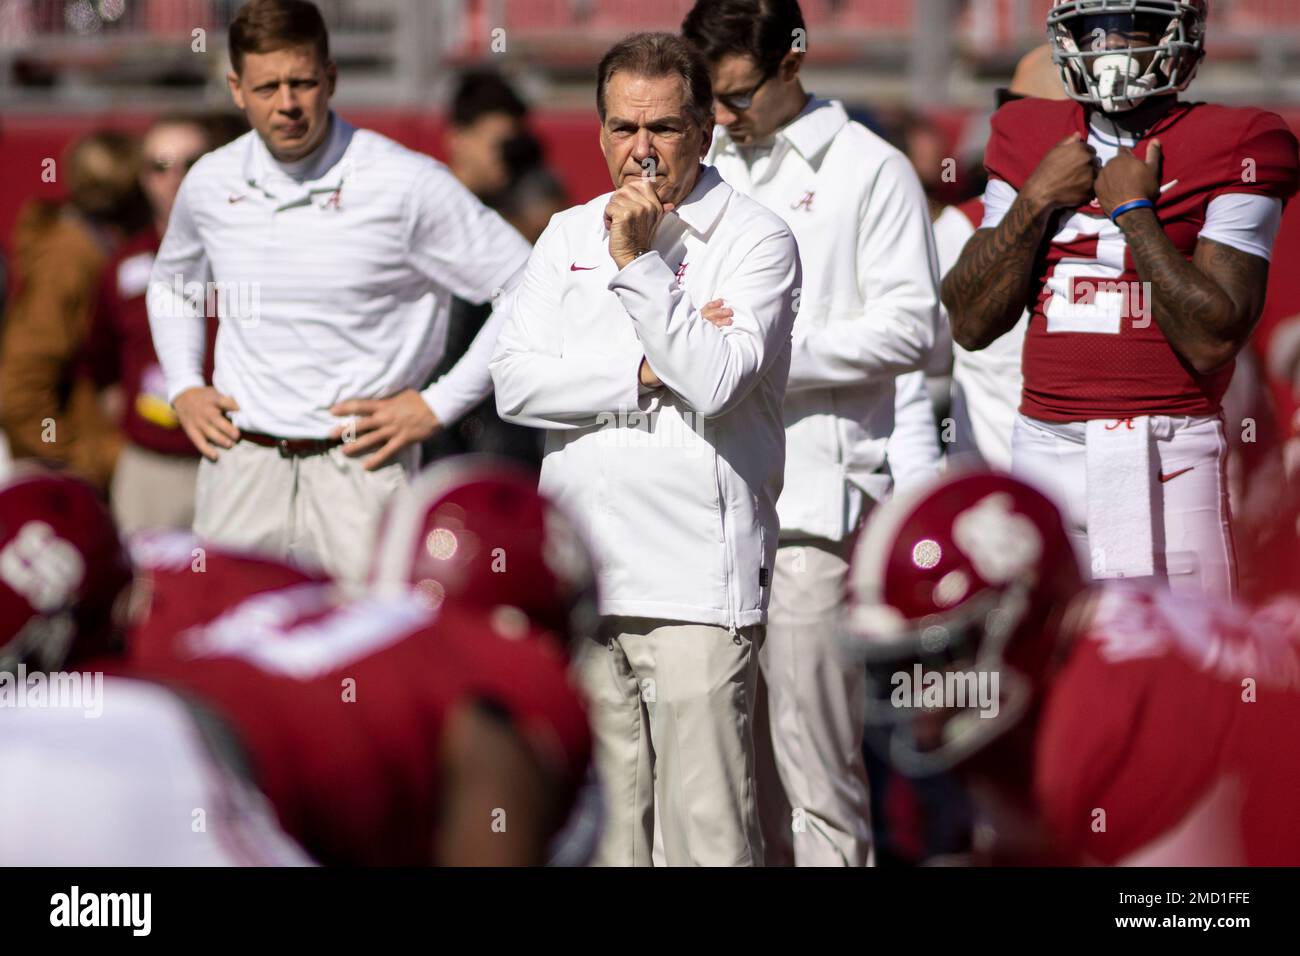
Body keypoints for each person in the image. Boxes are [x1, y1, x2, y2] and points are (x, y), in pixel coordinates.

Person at [491, 31, 800, 866]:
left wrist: (636, 262)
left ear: (704, 132)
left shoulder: (757, 238)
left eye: (663, 129)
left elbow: (713, 378)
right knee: (607, 842)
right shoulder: (563, 234)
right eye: (624, 128)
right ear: (598, 134)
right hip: (589, 579)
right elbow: (513, 384)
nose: (642, 150)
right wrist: (636, 371)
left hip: (699, 585)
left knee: (707, 838)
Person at [0, 467, 594, 867]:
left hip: (44, 730)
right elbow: (488, 759)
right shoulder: (507, 671)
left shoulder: (310, 606)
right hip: (176, 774)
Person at [145, 0, 532, 582]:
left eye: (302, 81)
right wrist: (183, 386)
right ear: (235, 88)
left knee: (365, 658)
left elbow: (527, 282)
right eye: (268, 86)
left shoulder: (405, 182)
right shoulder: (209, 181)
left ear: (331, 78)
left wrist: (439, 404)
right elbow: (173, 286)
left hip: (361, 469)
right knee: (228, 656)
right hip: (240, 466)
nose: (288, 103)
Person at [682, 0, 939, 866]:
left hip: (815, 506)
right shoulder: (697, 163)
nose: (718, 117)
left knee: (815, 773)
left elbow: (916, 329)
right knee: (721, 779)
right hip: (699, 503)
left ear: (794, 63)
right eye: (704, 96)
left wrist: (760, 359)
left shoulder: (872, 169)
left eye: (735, 94)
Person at [943, 0, 1300, 597]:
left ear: (1180, 35)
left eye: (1131, 27)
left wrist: (1135, 214)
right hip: (1044, 442)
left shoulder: (1240, 140)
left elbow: (1212, 337)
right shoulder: (1027, 133)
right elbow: (970, 321)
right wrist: (1036, 199)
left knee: (1179, 658)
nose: (1110, 45)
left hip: (1170, 448)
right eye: (1093, 28)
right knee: (1045, 664)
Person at [843, 470, 1300, 866]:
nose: (917, 696)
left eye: (938, 659)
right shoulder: (1075, 650)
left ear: (1023, 612)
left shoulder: (1112, 717)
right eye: (901, 667)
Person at [81, 115, 219, 535]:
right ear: (142, 178)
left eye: (191, 163)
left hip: (229, 463)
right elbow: (99, 360)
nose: (175, 178)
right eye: (160, 166)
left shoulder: (248, 257)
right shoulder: (123, 265)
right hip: (148, 469)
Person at [0, 131, 149, 490]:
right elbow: (19, 390)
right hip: (70, 479)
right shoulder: (70, 258)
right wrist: (89, 459)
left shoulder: (93, 246)